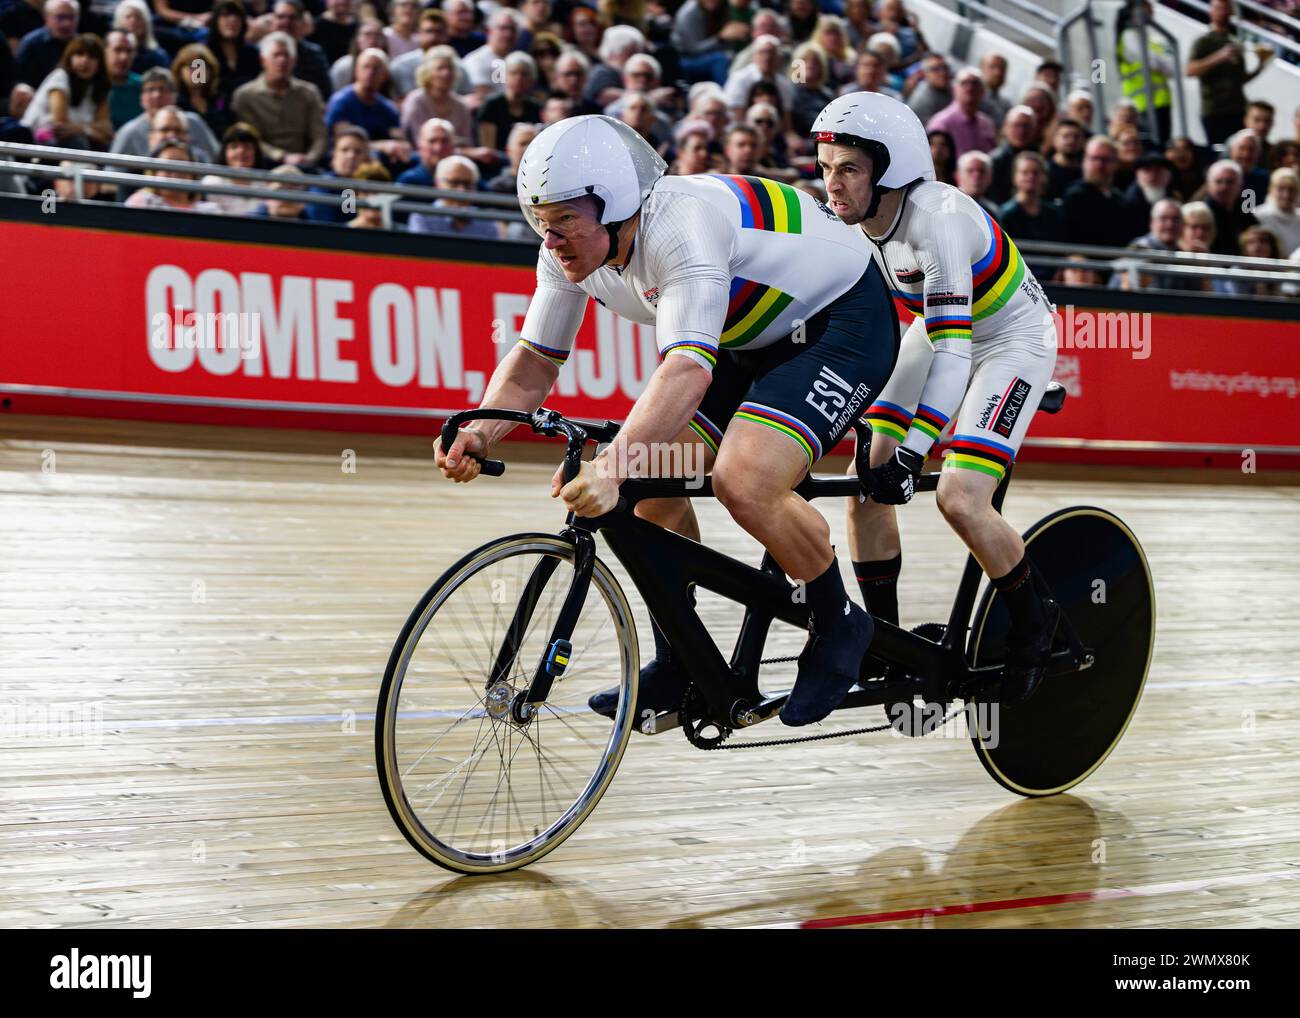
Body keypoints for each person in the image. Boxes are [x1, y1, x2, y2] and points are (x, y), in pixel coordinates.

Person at [438, 114, 900, 727]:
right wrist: (481, 427)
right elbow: (533, 361)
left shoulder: (679, 227)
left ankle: (840, 621)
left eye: (565, 221)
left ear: (616, 205)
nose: (551, 240)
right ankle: (680, 659)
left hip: (841, 322)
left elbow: (686, 371)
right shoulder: (569, 248)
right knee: (650, 484)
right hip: (747, 335)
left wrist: (611, 465)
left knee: (746, 481)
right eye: (541, 222)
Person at [814, 91, 1060, 707]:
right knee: (866, 476)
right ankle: (884, 641)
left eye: (848, 169)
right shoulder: (859, 223)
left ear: (890, 170)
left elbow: (956, 349)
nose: (832, 184)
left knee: (959, 495)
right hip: (940, 328)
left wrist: (917, 449)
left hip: (1011, 339)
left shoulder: (939, 217)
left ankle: (1036, 618)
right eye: (825, 168)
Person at [231, 32, 327, 166]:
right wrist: (282, 156)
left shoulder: (309, 93)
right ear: (263, 60)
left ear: (294, 61)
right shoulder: (245, 95)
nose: (282, 60)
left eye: (286, 55)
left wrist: (310, 158)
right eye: (276, 55)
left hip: (304, 164)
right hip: (262, 163)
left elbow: (320, 136)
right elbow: (250, 138)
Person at [1186, 0, 1273, 146]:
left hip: (1239, 109)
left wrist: (1261, 65)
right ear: (1210, 11)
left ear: (1231, 12)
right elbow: (1190, 70)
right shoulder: (1204, 41)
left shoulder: (1236, 42)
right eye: (1219, 8)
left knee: (1244, 148)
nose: (1223, 12)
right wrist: (1220, 57)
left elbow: (1240, 80)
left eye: (1226, 8)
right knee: (1221, 151)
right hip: (1215, 111)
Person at [21, 31, 112, 148]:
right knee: (78, 143)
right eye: (79, 54)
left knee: (106, 145)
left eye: (92, 57)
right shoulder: (60, 77)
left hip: (75, 141)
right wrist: (92, 129)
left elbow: (107, 132)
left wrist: (81, 129)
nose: (85, 61)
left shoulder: (99, 87)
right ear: (70, 58)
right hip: (36, 144)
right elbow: (61, 126)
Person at [111, 66, 220, 161]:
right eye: (150, 89)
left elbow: (217, 159)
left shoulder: (194, 123)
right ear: (141, 98)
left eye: (163, 89)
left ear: (175, 96)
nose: (157, 95)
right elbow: (112, 174)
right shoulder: (129, 132)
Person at [1061, 136, 1130, 248]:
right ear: (1084, 161)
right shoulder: (1075, 197)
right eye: (1094, 158)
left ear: (1116, 163)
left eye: (1105, 160)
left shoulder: (1120, 199)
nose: (1099, 165)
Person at [408, 152, 495, 237]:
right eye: (454, 182)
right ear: (437, 184)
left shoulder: (485, 222)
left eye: (468, 184)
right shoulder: (422, 218)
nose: (461, 190)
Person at [124, 138, 221, 212]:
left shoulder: (210, 210)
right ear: (154, 172)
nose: (175, 171)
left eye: (182, 163)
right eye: (168, 164)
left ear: (193, 174)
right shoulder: (141, 202)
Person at [925, 66, 995, 159]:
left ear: (983, 92)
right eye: (964, 83)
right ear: (954, 89)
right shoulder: (941, 124)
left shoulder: (987, 124)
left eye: (975, 83)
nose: (970, 88)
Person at [998, 150, 1064, 243]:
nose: (1030, 176)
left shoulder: (1053, 214)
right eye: (1025, 172)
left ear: (1044, 177)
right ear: (1015, 177)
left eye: (1035, 172)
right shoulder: (1005, 214)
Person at [200, 120, 264, 214]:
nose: (241, 151)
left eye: (247, 147)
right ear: (224, 153)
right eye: (234, 147)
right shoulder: (211, 183)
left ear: (256, 153)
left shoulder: (266, 185)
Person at [1197, 158, 1258, 255]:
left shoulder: (1245, 214)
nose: (1224, 187)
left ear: (1240, 185)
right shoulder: (1198, 215)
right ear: (1208, 185)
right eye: (1218, 181)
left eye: (1230, 182)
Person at [986, 105, 1037, 206]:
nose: (1021, 131)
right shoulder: (994, 161)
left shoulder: (1039, 158)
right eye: (1017, 125)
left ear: (1034, 129)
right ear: (1005, 127)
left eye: (1026, 126)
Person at [1254, 167, 1300, 258]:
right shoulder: (1258, 216)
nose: (1286, 195)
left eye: (1291, 189)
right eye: (1281, 189)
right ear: (1271, 190)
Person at [104, 28, 141, 129]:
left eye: (129, 51)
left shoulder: (144, 87)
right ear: (104, 51)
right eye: (118, 49)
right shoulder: (90, 84)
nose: (124, 57)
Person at [955, 149, 998, 218]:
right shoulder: (948, 209)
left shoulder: (994, 213)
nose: (976, 176)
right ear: (958, 176)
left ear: (990, 177)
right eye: (970, 171)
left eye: (981, 171)